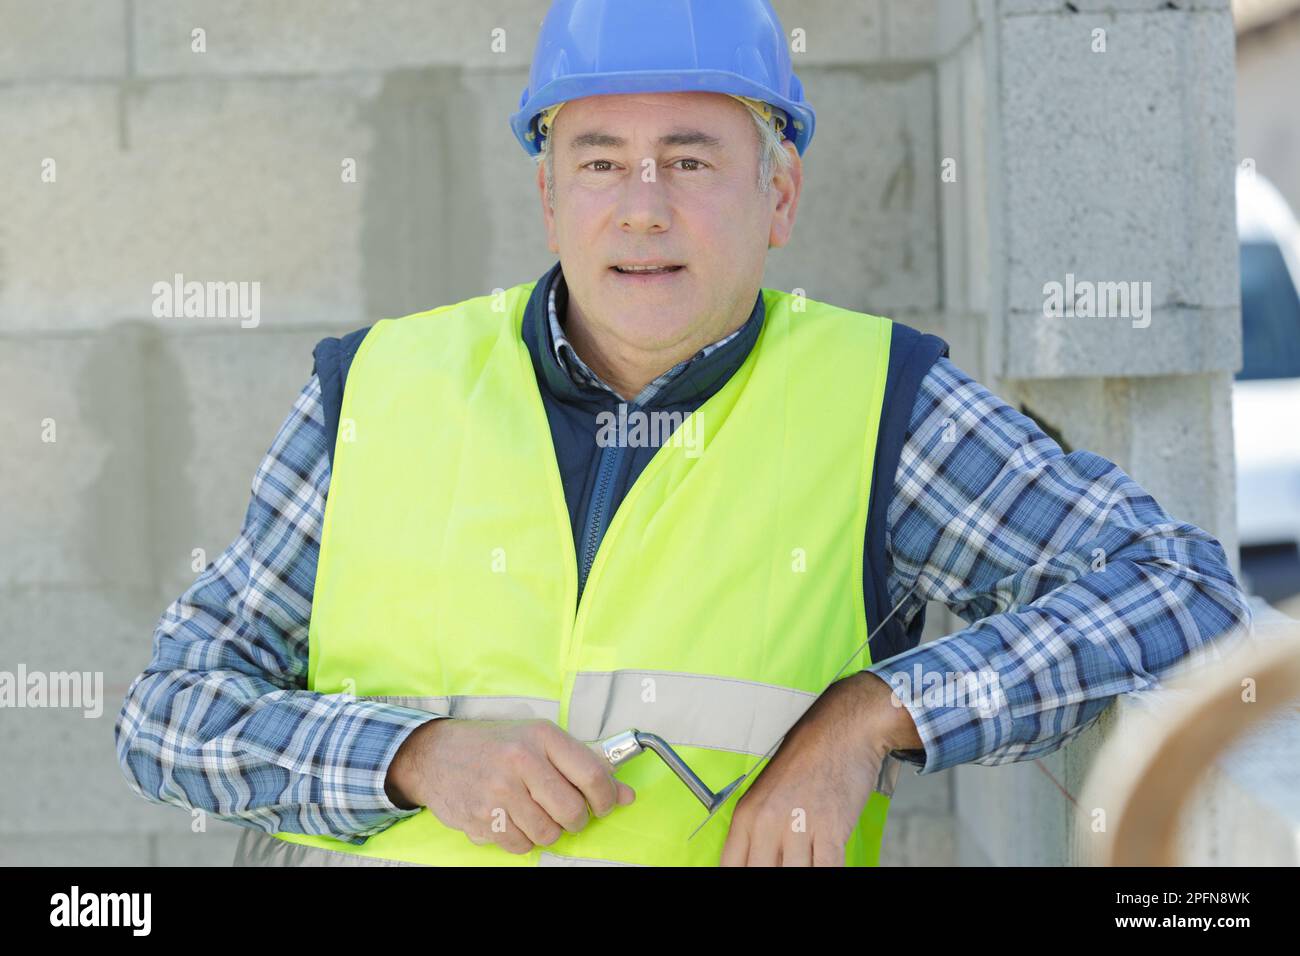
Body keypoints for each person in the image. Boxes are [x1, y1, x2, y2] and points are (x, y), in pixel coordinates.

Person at [114, 0, 1252, 867]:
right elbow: (168, 712)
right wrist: (407, 756)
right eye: (599, 159)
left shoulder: (883, 405)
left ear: (780, 195)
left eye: (692, 159)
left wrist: (866, 717)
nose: (643, 203)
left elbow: (1178, 586)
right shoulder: (371, 390)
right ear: (551, 198)